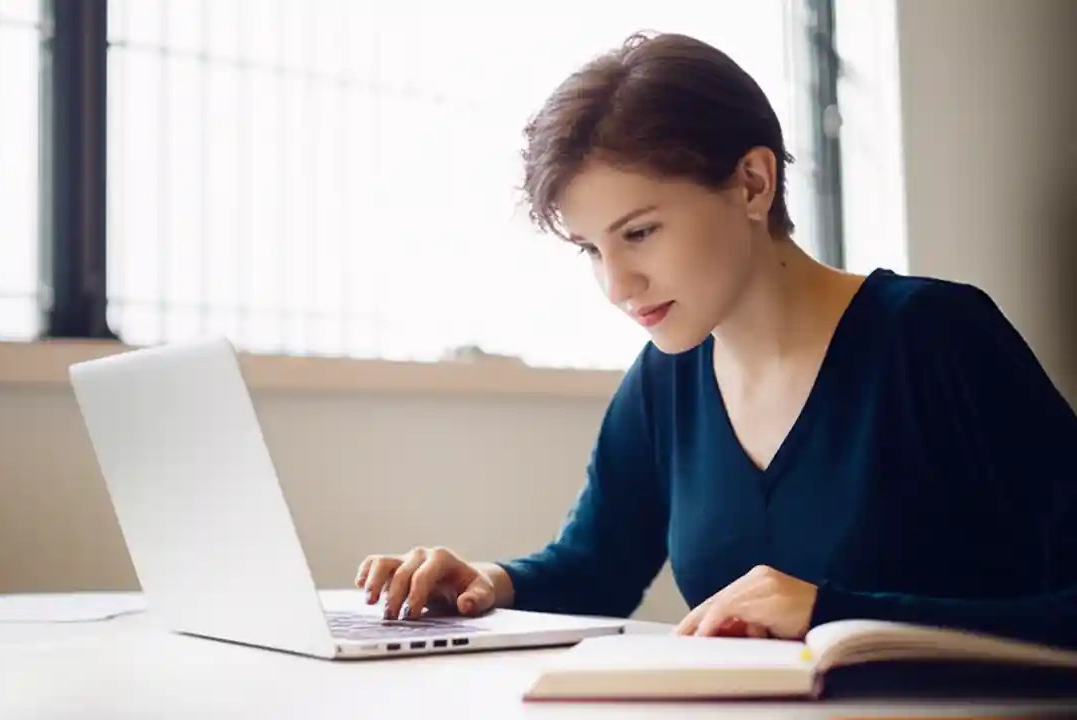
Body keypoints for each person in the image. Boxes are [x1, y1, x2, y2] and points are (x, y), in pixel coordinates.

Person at [354, 32, 1077, 646]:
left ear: (754, 183)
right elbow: (595, 568)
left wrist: (835, 615)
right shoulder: (666, 377)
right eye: (592, 250)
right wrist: (485, 583)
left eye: (639, 233)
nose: (618, 286)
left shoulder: (933, 338)